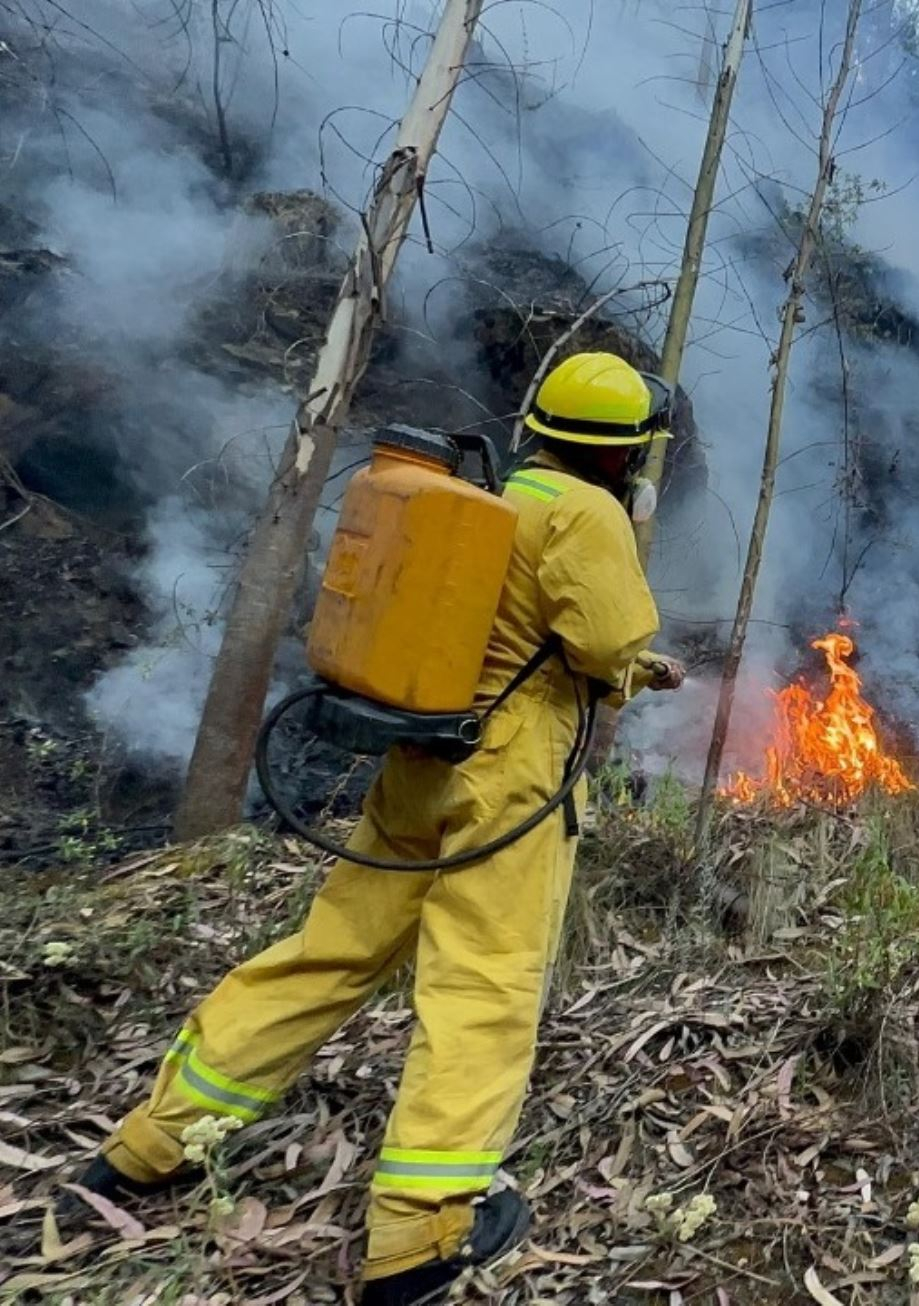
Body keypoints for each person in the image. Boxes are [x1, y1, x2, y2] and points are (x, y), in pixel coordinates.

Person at [63, 353, 686, 1305]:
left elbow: (502, 624)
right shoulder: (585, 511)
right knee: (483, 979)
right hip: (509, 774)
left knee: (333, 948)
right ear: (624, 453)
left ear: (541, 429)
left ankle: (152, 1144)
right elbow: (603, 642)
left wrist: (631, 668)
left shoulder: (493, 495)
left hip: (423, 759)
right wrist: (639, 658)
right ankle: (422, 1234)